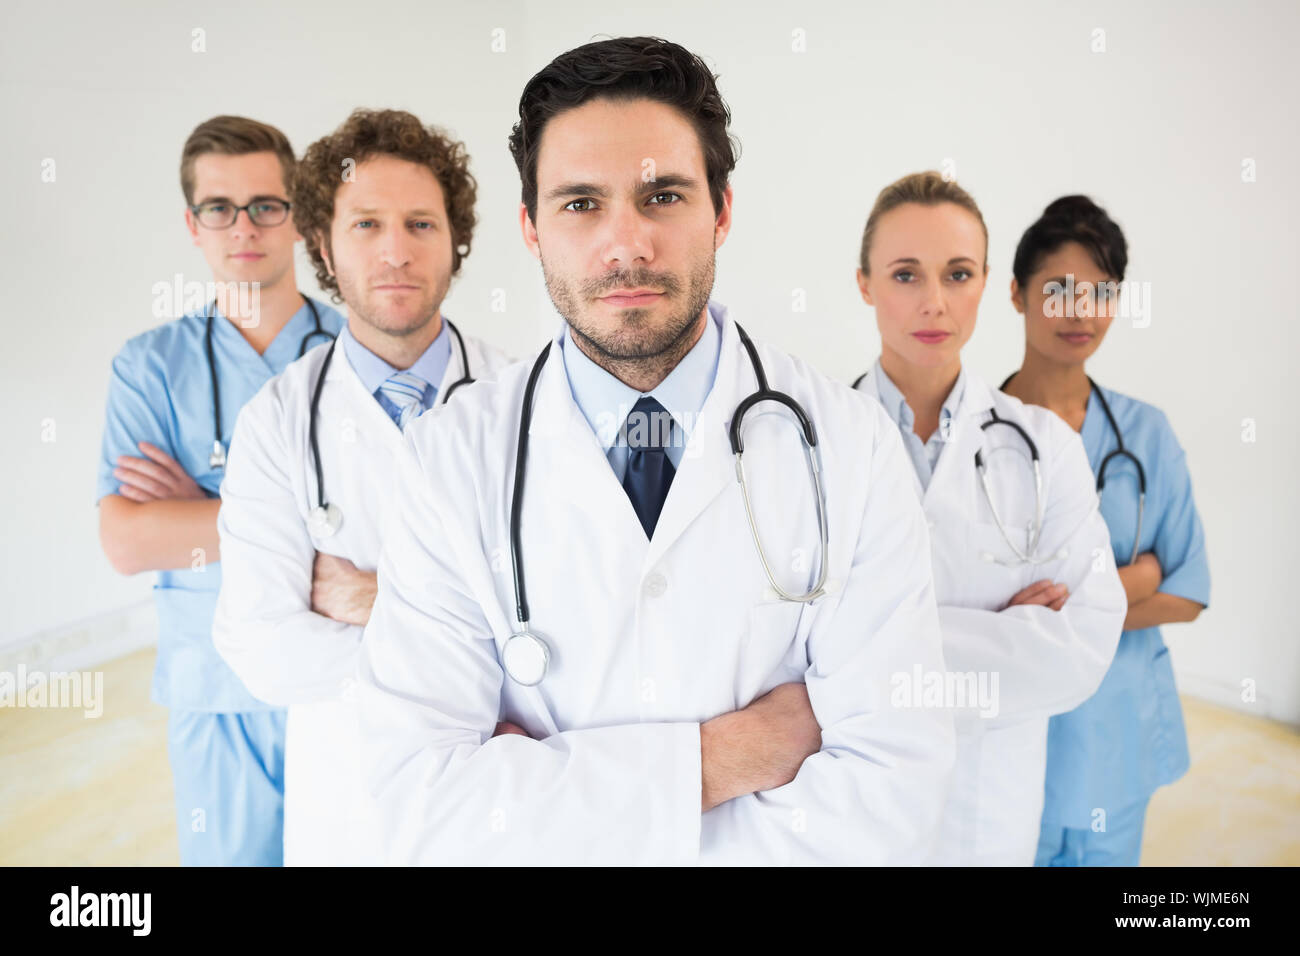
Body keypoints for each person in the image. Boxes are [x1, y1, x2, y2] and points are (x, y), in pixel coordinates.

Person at [355, 36, 956, 866]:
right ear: (530, 229)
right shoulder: (449, 462)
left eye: (663, 195)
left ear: (723, 209)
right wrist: (734, 756)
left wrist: (551, 790)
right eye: (580, 204)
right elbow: (425, 808)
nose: (626, 244)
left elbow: (892, 792)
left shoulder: (849, 446)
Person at [210, 109, 514, 865]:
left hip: (505, 791)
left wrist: (375, 603)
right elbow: (261, 646)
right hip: (350, 806)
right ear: (321, 245)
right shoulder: (277, 421)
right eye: (366, 224)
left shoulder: (525, 401)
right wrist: (469, 638)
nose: (395, 252)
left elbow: (574, 610)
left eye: (420, 224)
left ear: (456, 241)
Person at [850, 171, 1126, 866]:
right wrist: (1005, 634)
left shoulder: (1046, 451)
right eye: (906, 274)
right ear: (865, 284)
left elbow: (1082, 646)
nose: (934, 301)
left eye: (959, 273)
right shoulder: (805, 445)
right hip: (849, 805)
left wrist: (864, 654)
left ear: (985, 284)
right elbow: (770, 649)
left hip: (987, 815)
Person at [96, 115, 344, 865]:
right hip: (214, 689)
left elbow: (393, 528)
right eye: (220, 208)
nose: (246, 227)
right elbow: (129, 541)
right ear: (193, 224)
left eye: (267, 204)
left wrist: (197, 509)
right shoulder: (148, 366)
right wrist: (307, 520)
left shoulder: (357, 353)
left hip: (337, 679)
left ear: (298, 214)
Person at [1001, 196, 1211, 867]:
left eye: (1100, 293)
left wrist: (1058, 607)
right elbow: (952, 606)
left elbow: (1187, 591)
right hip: (1009, 742)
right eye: (1058, 290)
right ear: (1016, 294)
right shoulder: (971, 436)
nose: (1080, 312)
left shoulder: (1147, 435)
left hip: (1114, 747)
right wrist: (1132, 579)